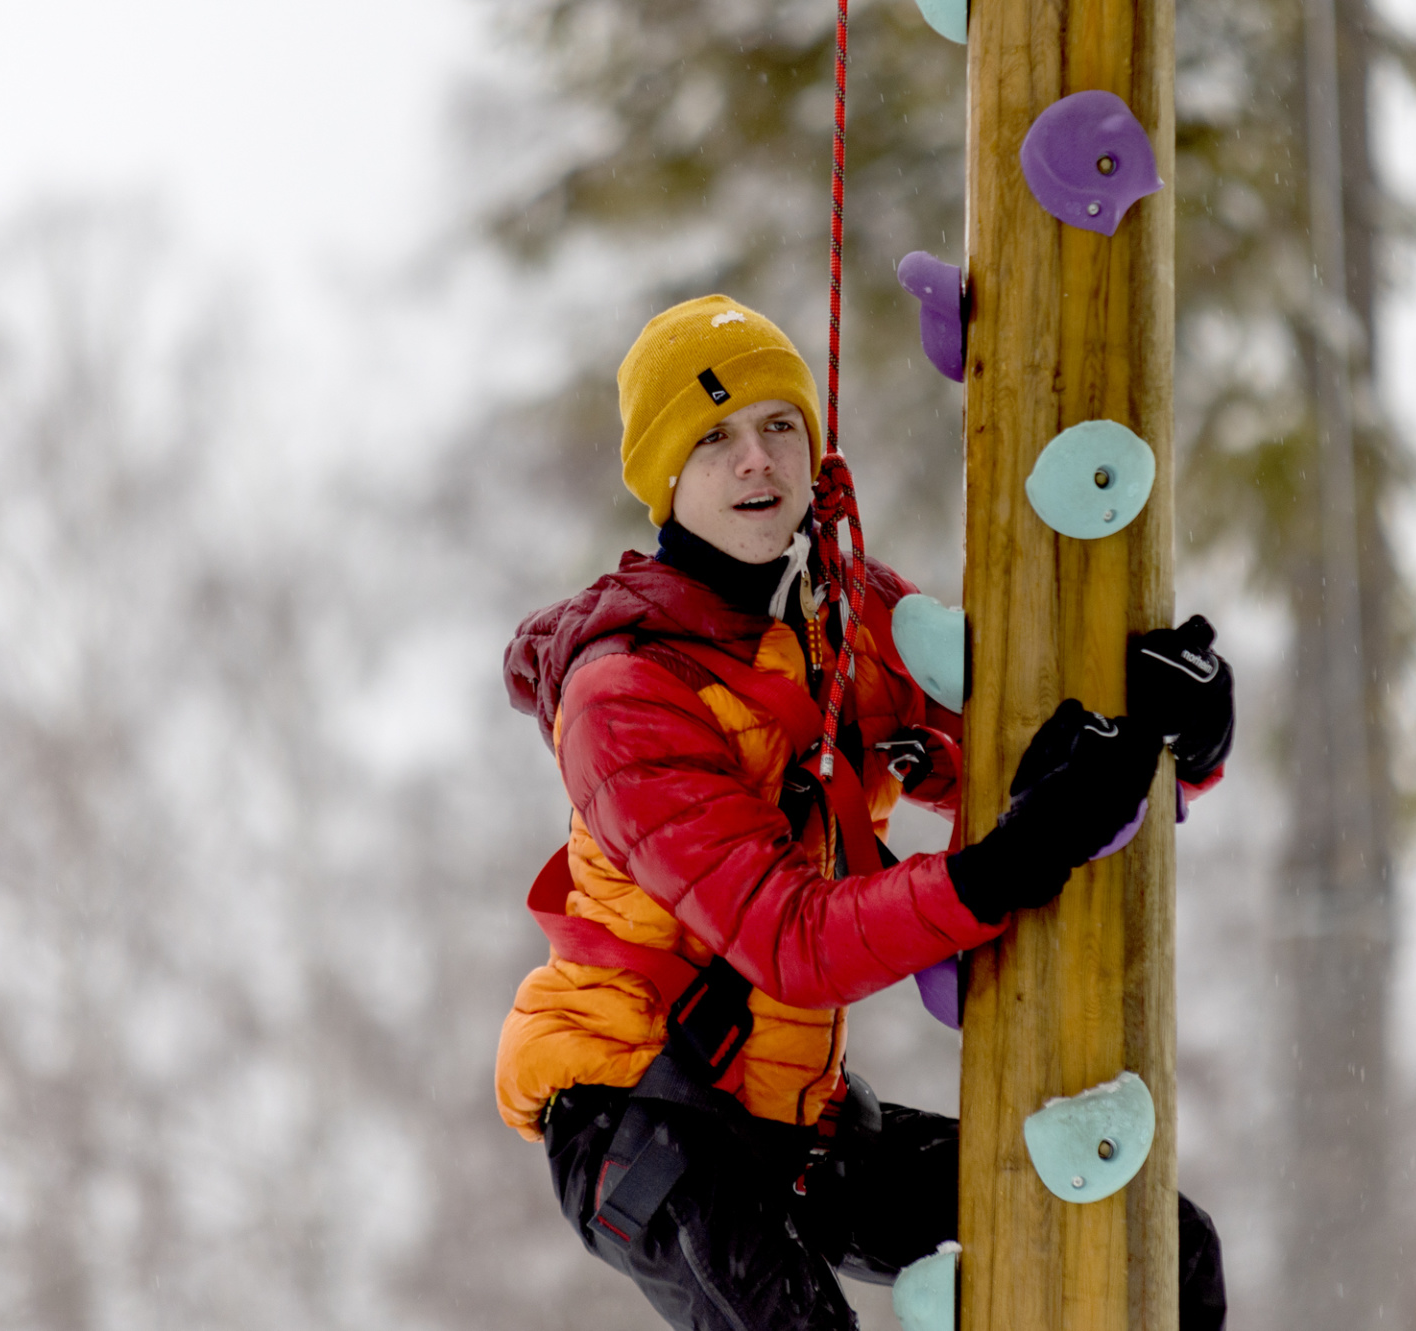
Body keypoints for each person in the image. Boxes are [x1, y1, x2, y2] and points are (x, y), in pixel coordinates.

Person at [498, 295, 1232, 1330]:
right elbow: (791, 940)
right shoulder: (621, 696)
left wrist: (1181, 742)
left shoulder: (852, 619)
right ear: (664, 476)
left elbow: (1036, 754)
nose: (757, 460)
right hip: (642, 1111)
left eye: (777, 425)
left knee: (1148, 1241)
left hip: (802, 1117)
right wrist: (1012, 859)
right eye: (713, 438)